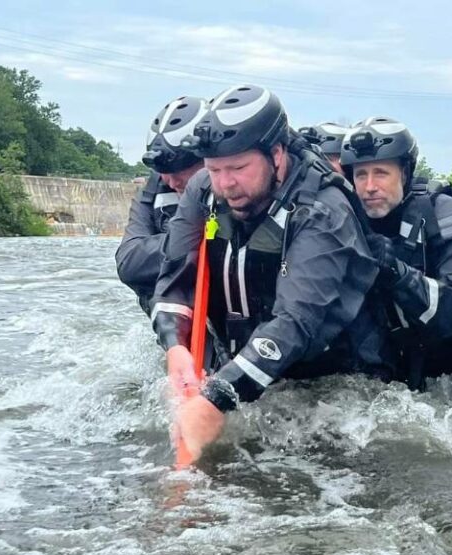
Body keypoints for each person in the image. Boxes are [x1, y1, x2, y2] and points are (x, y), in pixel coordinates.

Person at [151, 85, 393, 460]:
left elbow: (296, 320)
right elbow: (175, 274)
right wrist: (175, 346)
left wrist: (216, 398)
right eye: (215, 169)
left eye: (238, 167)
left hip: (333, 383)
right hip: (247, 361)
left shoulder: (324, 211)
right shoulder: (205, 187)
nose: (225, 183)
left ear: (276, 155)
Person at [340, 116, 452, 391]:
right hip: (406, 352)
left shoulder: (444, 215)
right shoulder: (348, 222)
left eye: (381, 173)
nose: (370, 186)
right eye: (361, 174)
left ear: (404, 173)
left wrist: (396, 272)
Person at [115, 96, 208, 315]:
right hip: (179, 310)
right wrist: (194, 240)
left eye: (180, 171)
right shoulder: (153, 190)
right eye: (164, 173)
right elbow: (129, 263)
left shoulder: (237, 186)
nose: (172, 181)